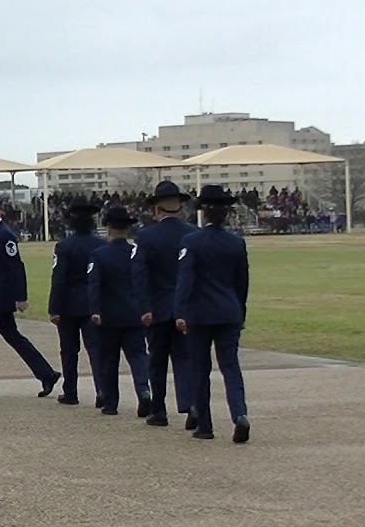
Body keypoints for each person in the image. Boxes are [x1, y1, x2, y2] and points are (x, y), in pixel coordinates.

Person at [0, 190, 60, 401]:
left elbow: (16, 268)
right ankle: (46, 374)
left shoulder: (5, 235)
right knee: (13, 337)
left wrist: (21, 297)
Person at [175, 185, 251, 444]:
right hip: (228, 310)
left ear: (203, 213)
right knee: (230, 366)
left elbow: (185, 280)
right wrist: (239, 311)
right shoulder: (236, 243)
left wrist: (181, 311)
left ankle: (205, 424)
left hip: (200, 312)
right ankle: (239, 413)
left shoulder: (191, 242)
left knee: (199, 368)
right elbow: (242, 283)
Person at [132, 180, 199, 429]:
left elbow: (139, 276)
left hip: (157, 306)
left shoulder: (146, 236)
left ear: (157, 208)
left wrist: (144, 307)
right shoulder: (193, 233)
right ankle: (191, 403)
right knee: (185, 358)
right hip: (186, 306)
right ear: (179, 207)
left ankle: (159, 410)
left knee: (157, 360)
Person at [87, 207, 152, 416]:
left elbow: (94, 285)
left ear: (108, 229)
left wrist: (95, 309)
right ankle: (143, 390)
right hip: (134, 313)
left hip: (108, 315)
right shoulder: (136, 253)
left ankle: (111, 402)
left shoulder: (99, 255)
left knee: (108, 360)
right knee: (138, 357)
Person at [47, 196, 105, 406]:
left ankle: (70, 391)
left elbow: (59, 279)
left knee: (69, 351)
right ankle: (102, 390)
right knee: (96, 350)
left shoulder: (64, 246)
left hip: (69, 304)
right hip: (93, 303)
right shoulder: (101, 245)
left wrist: (54, 308)